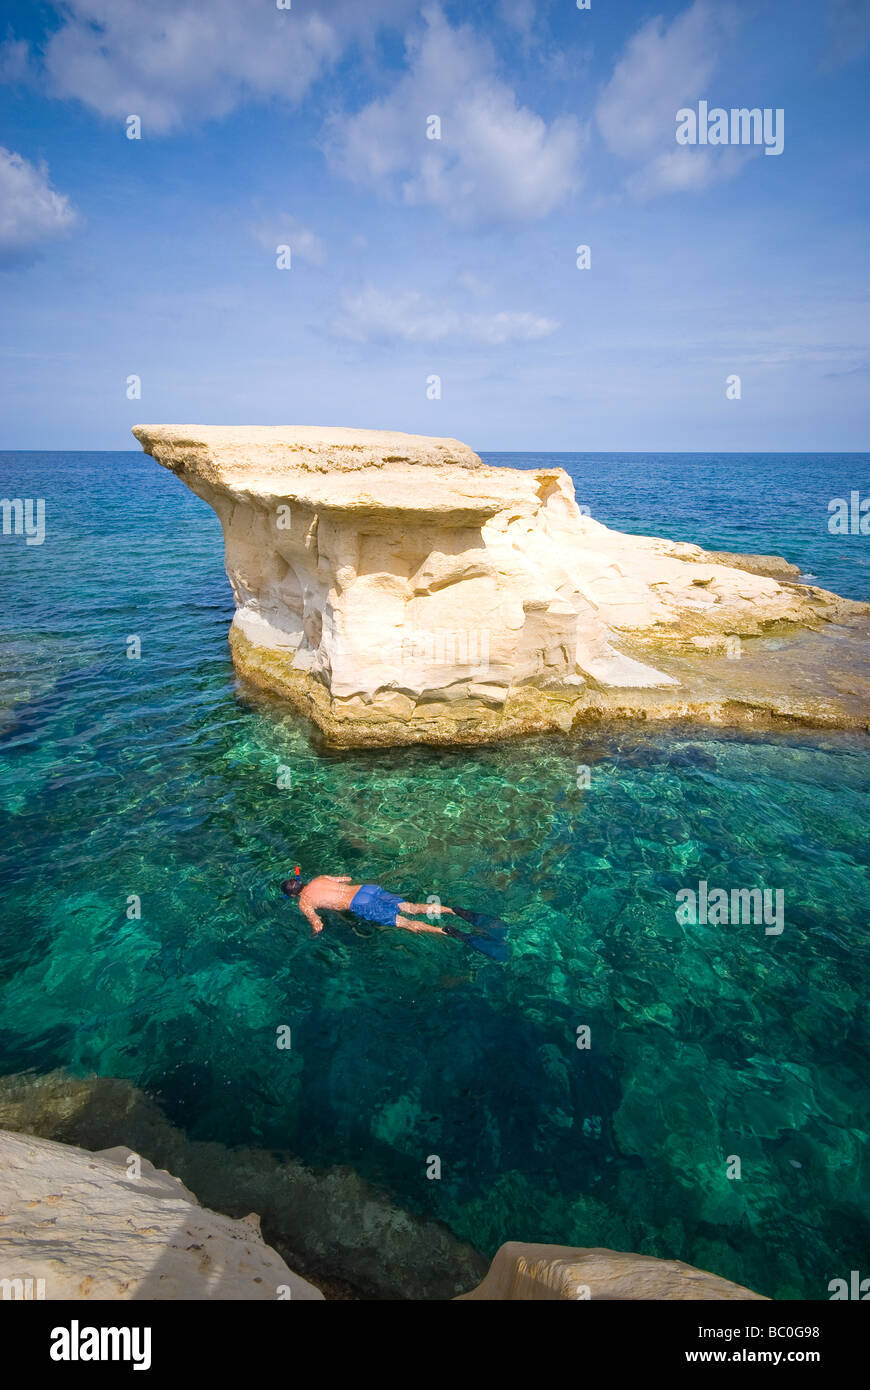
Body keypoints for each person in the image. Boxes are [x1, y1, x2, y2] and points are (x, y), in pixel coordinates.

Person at [281, 873, 456, 937]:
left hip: (361, 903)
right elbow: (346, 879)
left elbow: (318, 925)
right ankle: (451, 910)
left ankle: (442, 931)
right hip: (367, 890)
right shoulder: (320, 878)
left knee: (404, 922)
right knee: (411, 907)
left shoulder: (304, 902)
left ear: (293, 895)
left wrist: (313, 933)